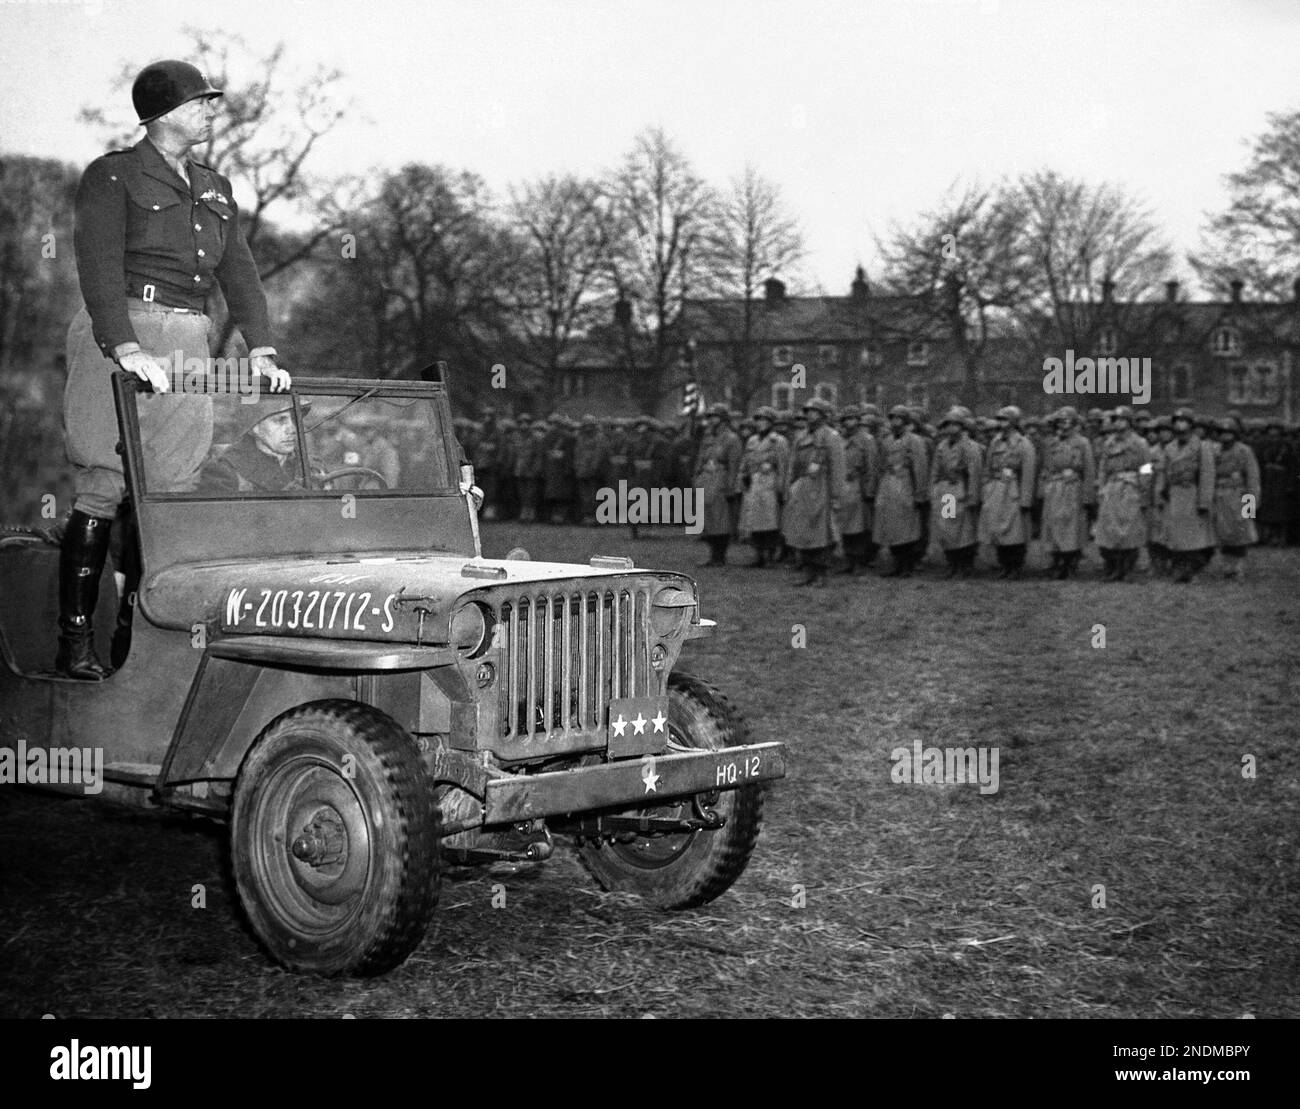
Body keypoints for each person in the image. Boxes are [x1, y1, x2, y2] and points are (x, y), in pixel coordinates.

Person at [57, 60, 290, 680]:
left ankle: (139, 651)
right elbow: (97, 263)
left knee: (168, 490)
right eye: (201, 103)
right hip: (126, 329)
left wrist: (261, 345)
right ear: (161, 115)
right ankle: (74, 643)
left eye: (214, 101)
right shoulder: (113, 176)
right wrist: (123, 345)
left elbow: (238, 271)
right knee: (105, 483)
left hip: (190, 334)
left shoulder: (215, 187)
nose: (214, 111)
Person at [781, 398, 845, 587]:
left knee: (822, 534)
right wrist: (789, 487)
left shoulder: (831, 437)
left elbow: (838, 468)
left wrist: (836, 496)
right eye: (808, 412)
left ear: (824, 415)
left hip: (822, 490)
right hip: (802, 490)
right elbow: (792, 466)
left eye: (814, 412)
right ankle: (808, 571)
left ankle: (821, 573)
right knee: (802, 532)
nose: (810, 415)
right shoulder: (801, 437)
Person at [199, 399, 308, 493]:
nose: (293, 429)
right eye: (280, 420)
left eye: (294, 419)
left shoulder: (311, 464)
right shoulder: (225, 472)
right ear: (254, 426)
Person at [1037, 406, 1095, 579]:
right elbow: (1045, 468)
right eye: (1060, 420)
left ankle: (1070, 563)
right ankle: (1056, 561)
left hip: (1073, 489)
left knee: (1071, 527)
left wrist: (1087, 496)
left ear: (1074, 422)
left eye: (1067, 420)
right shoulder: (1051, 443)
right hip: (1054, 489)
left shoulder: (1082, 443)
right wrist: (1043, 490)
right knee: (1052, 525)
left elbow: (1089, 471)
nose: (1063, 424)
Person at [979, 406, 1036, 579]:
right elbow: (988, 468)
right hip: (996, 490)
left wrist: (1026, 500)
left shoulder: (1023, 444)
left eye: (1004, 420)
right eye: (1000, 420)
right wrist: (986, 488)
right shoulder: (995, 442)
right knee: (997, 530)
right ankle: (1004, 565)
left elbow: (1028, 473)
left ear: (1013, 422)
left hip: (1013, 492)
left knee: (1014, 532)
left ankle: (1015, 566)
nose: (1001, 423)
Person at [872, 405, 929, 577]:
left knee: (907, 529)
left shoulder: (915, 441)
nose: (895, 422)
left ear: (906, 422)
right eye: (893, 418)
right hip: (888, 486)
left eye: (899, 419)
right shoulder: (886, 441)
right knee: (890, 527)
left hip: (906, 485)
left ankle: (907, 566)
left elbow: (920, 468)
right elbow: (880, 465)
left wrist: (920, 493)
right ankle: (896, 564)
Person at [1160, 408, 1216, 583]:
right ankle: (1180, 569)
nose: (1179, 424)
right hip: (1175, 495)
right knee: (1176, 536)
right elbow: (1164, 472)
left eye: (1183, 420)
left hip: (1192, 493)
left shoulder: (1202, 446)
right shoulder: (1169, 447)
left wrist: (1204, 501)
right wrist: (1163, 492)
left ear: (1191, 424)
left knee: (1194, 537)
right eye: (1176, 421)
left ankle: (1194, 570)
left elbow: (1207, 475)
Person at [929, 407, 983, 578]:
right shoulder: (942, 446)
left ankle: (964, 565)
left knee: (964, 531)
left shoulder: (970, 446)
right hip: (946, 492)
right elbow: (935, 471)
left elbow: (975, 472)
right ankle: (952, 563)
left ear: (963, 426)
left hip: (961, 489)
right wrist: (933, 489)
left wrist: (973, 495)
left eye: (955, 424)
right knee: (947, 528)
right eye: (948, 424)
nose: (951, 428)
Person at [736, 406, 789, 567]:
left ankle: (770, 556)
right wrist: (742, 477)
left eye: (765, 420)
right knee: (753, 521)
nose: (761, 424)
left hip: (770, 483)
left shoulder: (778, 441)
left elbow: (783, 466)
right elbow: (745, 461)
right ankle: (758, 555)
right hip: (753, 483)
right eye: (758, 420)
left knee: (770, 522)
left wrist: (782, 489)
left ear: (771, 423)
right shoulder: (752, 440)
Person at [1211, 417, 1261, 579]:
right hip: (1219, 495)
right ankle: (1227, 566)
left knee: (1241, 531)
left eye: (1229, 433)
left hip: (1239, 495)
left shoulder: (1244, 451)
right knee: (1223, 533)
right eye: (1222, 433)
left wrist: (1251, 503)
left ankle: (1238, 566)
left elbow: (1252, 477)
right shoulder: (1215, 450)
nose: (1225, 436)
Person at [695, 404, 742, 566]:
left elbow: (734, 465)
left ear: (723, 419)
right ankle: (713, 555)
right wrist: (697, 478)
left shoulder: (732, 439)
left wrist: (731, 487)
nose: (711, 420)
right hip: (706, 480)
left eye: (715, 417)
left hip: (721, 481)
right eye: (710, 417)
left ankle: (720, 555)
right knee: (708, 519)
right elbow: (700, 459)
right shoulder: (708, 438)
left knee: (721, 521)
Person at [836, 405, 878, 574]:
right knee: (845, 526)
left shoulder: (867, 440)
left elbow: (872, 467)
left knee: (860, 527)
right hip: (842, 486)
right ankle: (849, 559)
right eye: (846, 419)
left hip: (858, 486)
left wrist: (869, 491)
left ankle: (860, 561)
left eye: (852, 419)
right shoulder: (839, 439)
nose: (849, 422)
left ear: (858, 421)